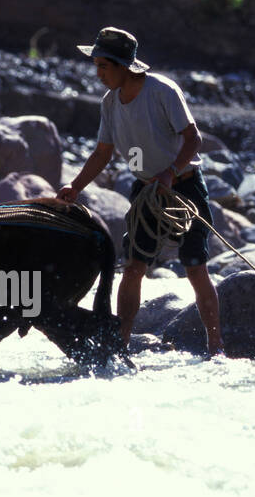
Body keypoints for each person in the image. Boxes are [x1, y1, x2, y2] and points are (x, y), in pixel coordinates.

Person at [58, 26, 224, 355]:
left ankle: (215, 346)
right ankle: (120, 343)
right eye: (97, 67)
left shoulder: (162, 91)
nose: (99, 74)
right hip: (146, 190)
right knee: (134, 268)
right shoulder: (109, 103)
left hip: (184, 186)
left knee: (194, 266)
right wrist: (74, 187)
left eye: (103, 67)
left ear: (123, 66)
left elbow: (194, 139)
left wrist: (170, 172)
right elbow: (102, 152)